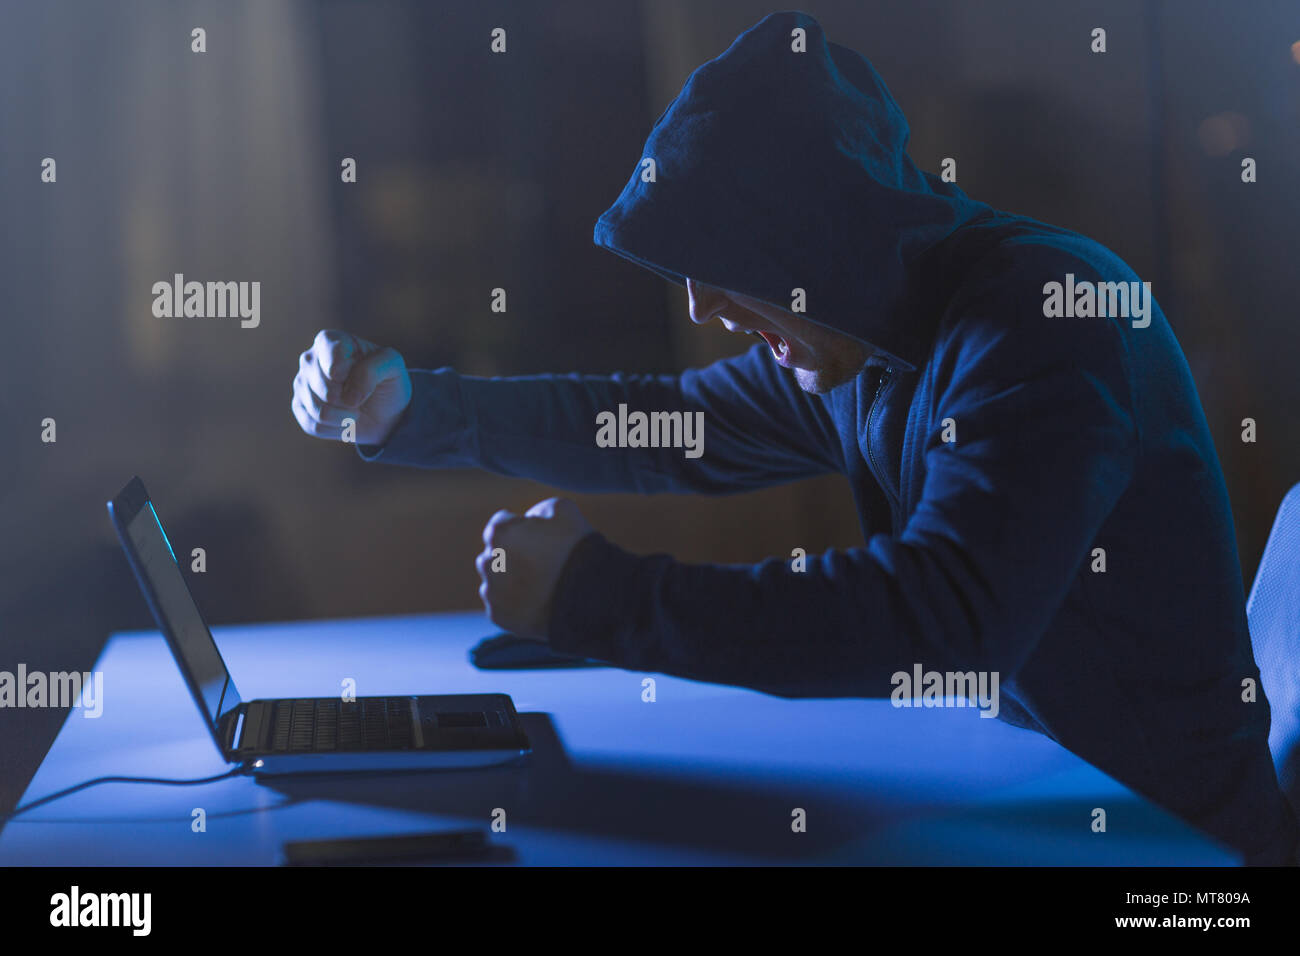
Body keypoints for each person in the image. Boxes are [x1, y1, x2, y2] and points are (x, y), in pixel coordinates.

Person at [290, 11, 1298, 864]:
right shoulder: (869, 336)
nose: (703, 302)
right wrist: (407, 406)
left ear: (827, 239)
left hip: (1182, 859)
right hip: (1053, 804)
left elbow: (941, 618)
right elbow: (660, 427)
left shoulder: (1046, 319)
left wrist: (595, 596)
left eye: (726, 262)